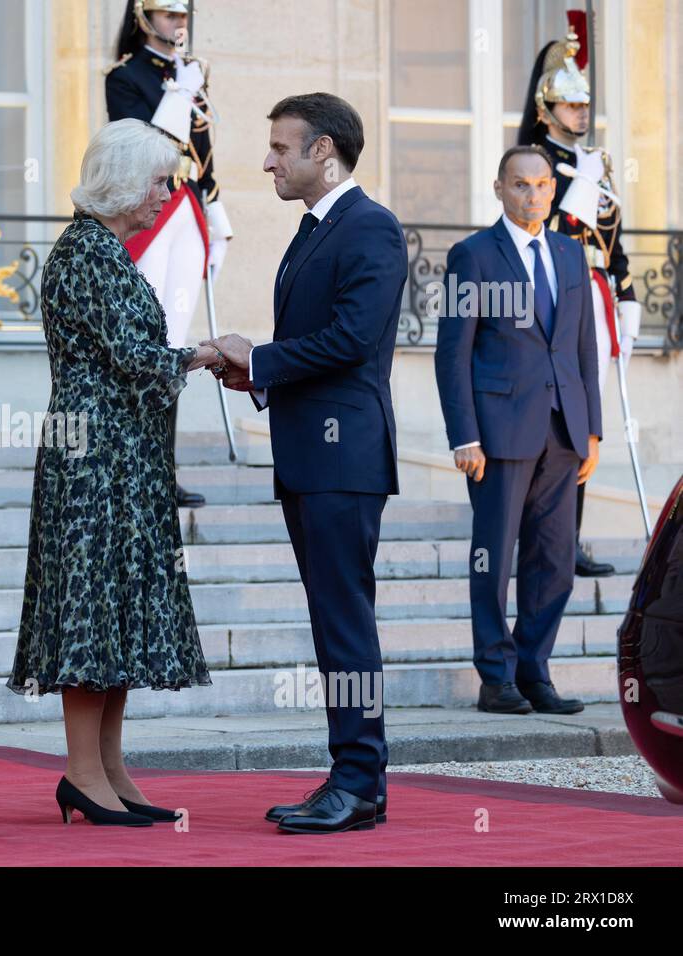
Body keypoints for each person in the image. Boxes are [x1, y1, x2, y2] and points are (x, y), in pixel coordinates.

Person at [7, 118, 220, 827]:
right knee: (90, 607)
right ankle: (80, 772)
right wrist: (208, 356)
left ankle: (109, 766)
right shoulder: (88, 252)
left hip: (123, 453)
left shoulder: (106, 250)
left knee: (119, 607)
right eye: (161, 179)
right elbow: (135, 356)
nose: (169, 192)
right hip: (92, 457)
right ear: (126, 180)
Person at [208, 93, 405, 834]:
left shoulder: (372, 228)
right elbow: (318, 342)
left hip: (342, 455)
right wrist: (254, 371)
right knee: (334, 623)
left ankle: (359, 782)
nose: (268, 161)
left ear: (324, 151)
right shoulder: (316, 228)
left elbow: (352, 341)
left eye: (281, 149)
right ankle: (355, 776)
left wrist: (257, 357)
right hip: (311, 454)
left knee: (345, 623)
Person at [434, 145, 600, 718]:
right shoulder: (472, 255)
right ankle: (495, 678)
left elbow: (584, 349)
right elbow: (452, 353)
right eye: (521, 185)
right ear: (499, 188)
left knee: (554, 561)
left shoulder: (570, 255)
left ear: (553, 189)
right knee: (493, 558)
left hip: (564, 434)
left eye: (543, 185)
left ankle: (534, 672)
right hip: (498, 436)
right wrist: (464, 435)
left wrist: (593, 430)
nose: (534, 195)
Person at [519, 17, 640, 577]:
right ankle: (546, 538)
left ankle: (570, 538)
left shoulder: (592, 163)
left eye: (584, 105)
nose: (581, 114)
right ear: (546, 109)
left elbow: (611, 240)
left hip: (597, 296)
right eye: (570, 106)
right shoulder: (536, 164)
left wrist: (629, 291)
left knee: (587, 422)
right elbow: (549, 221)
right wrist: (586, 180)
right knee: (560, 422)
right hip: (557, 299)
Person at [105, 0, 234, 509]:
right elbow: (145, 145)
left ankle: (162, 469)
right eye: (167, 14)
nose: (177, 24)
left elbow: (202, 154)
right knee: (144, 338)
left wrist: (216, 209)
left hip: (188, 209)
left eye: (182, 16)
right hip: (149, 210)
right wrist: (181, 90)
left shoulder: (189, 76)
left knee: (174, 340)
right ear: (142, 16)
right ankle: (127, 461)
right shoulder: (126, 76)